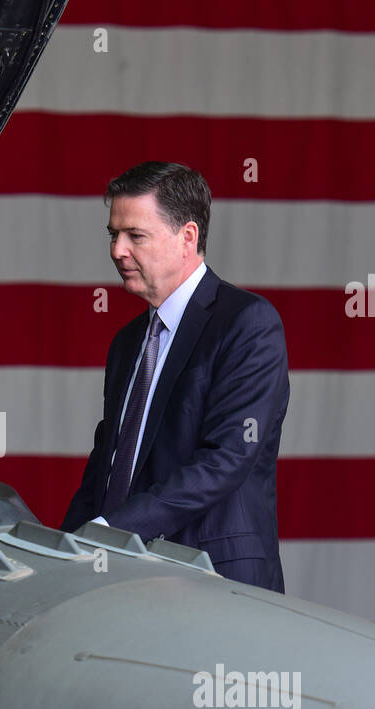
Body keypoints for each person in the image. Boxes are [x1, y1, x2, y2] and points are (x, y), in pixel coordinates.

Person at [60, 162, 289, 591]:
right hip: (119, 579)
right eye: (114, 234)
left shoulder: (247, 322)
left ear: (188, 237)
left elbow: (227, 458)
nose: (117, 250)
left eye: (135, 236)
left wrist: (110, 531)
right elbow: (106, 465)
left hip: (214, 581)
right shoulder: (128, 342)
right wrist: (67, 548)